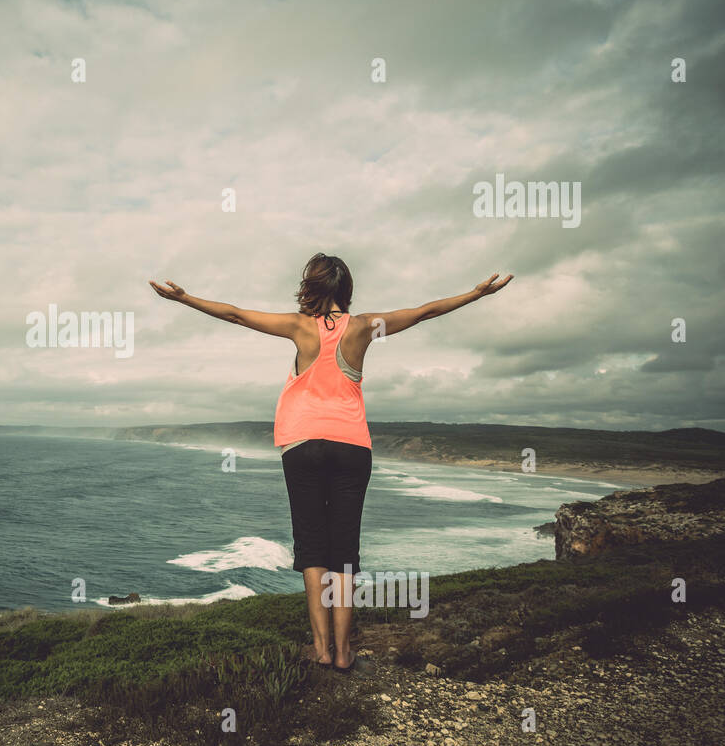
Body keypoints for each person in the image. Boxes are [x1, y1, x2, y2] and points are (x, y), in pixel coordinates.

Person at [149, 254, 513, 671]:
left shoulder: (297, 325)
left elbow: (234, 315)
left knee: (312, 546)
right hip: (352, 446)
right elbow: (426, 311)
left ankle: (321, 649)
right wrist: (476, 294)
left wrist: (184, 299)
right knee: (344, 553)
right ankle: (344, 653)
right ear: (346, 289)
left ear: (312, 286)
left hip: (302, 444)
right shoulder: (364, 327)